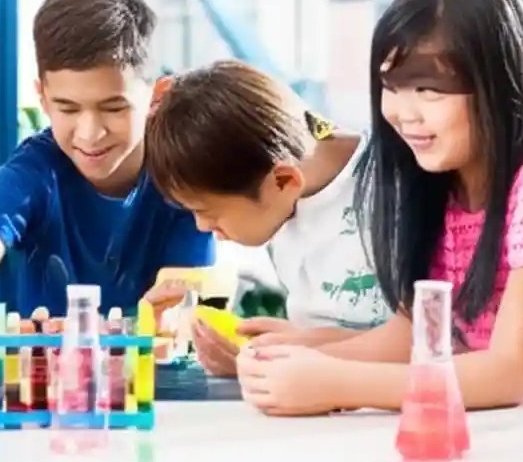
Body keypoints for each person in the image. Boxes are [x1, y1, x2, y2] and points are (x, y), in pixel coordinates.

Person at [238, 0, 523, 414]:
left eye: (429, 89)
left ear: (502, 82)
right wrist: (294, 362)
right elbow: (414, 333)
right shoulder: (438, 179)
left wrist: (335, 382)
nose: (405, 113)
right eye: (392, 86)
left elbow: (508, 373)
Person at [0, 0, 215, 344]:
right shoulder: (36, 169)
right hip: (44, 384)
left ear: (156, 96)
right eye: (67, 109)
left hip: (153, 382)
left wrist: (175, 314)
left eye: (114, 108)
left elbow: (184, 293)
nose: (90, 133)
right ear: (43, 98)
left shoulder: (181, 177)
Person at [143, 59, 391, 377]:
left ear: (284, 181)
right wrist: (269, 351)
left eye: (208, 212)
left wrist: (292, 352)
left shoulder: (391, 191)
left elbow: (418, 339)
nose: (202, 227)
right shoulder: (282, 198)